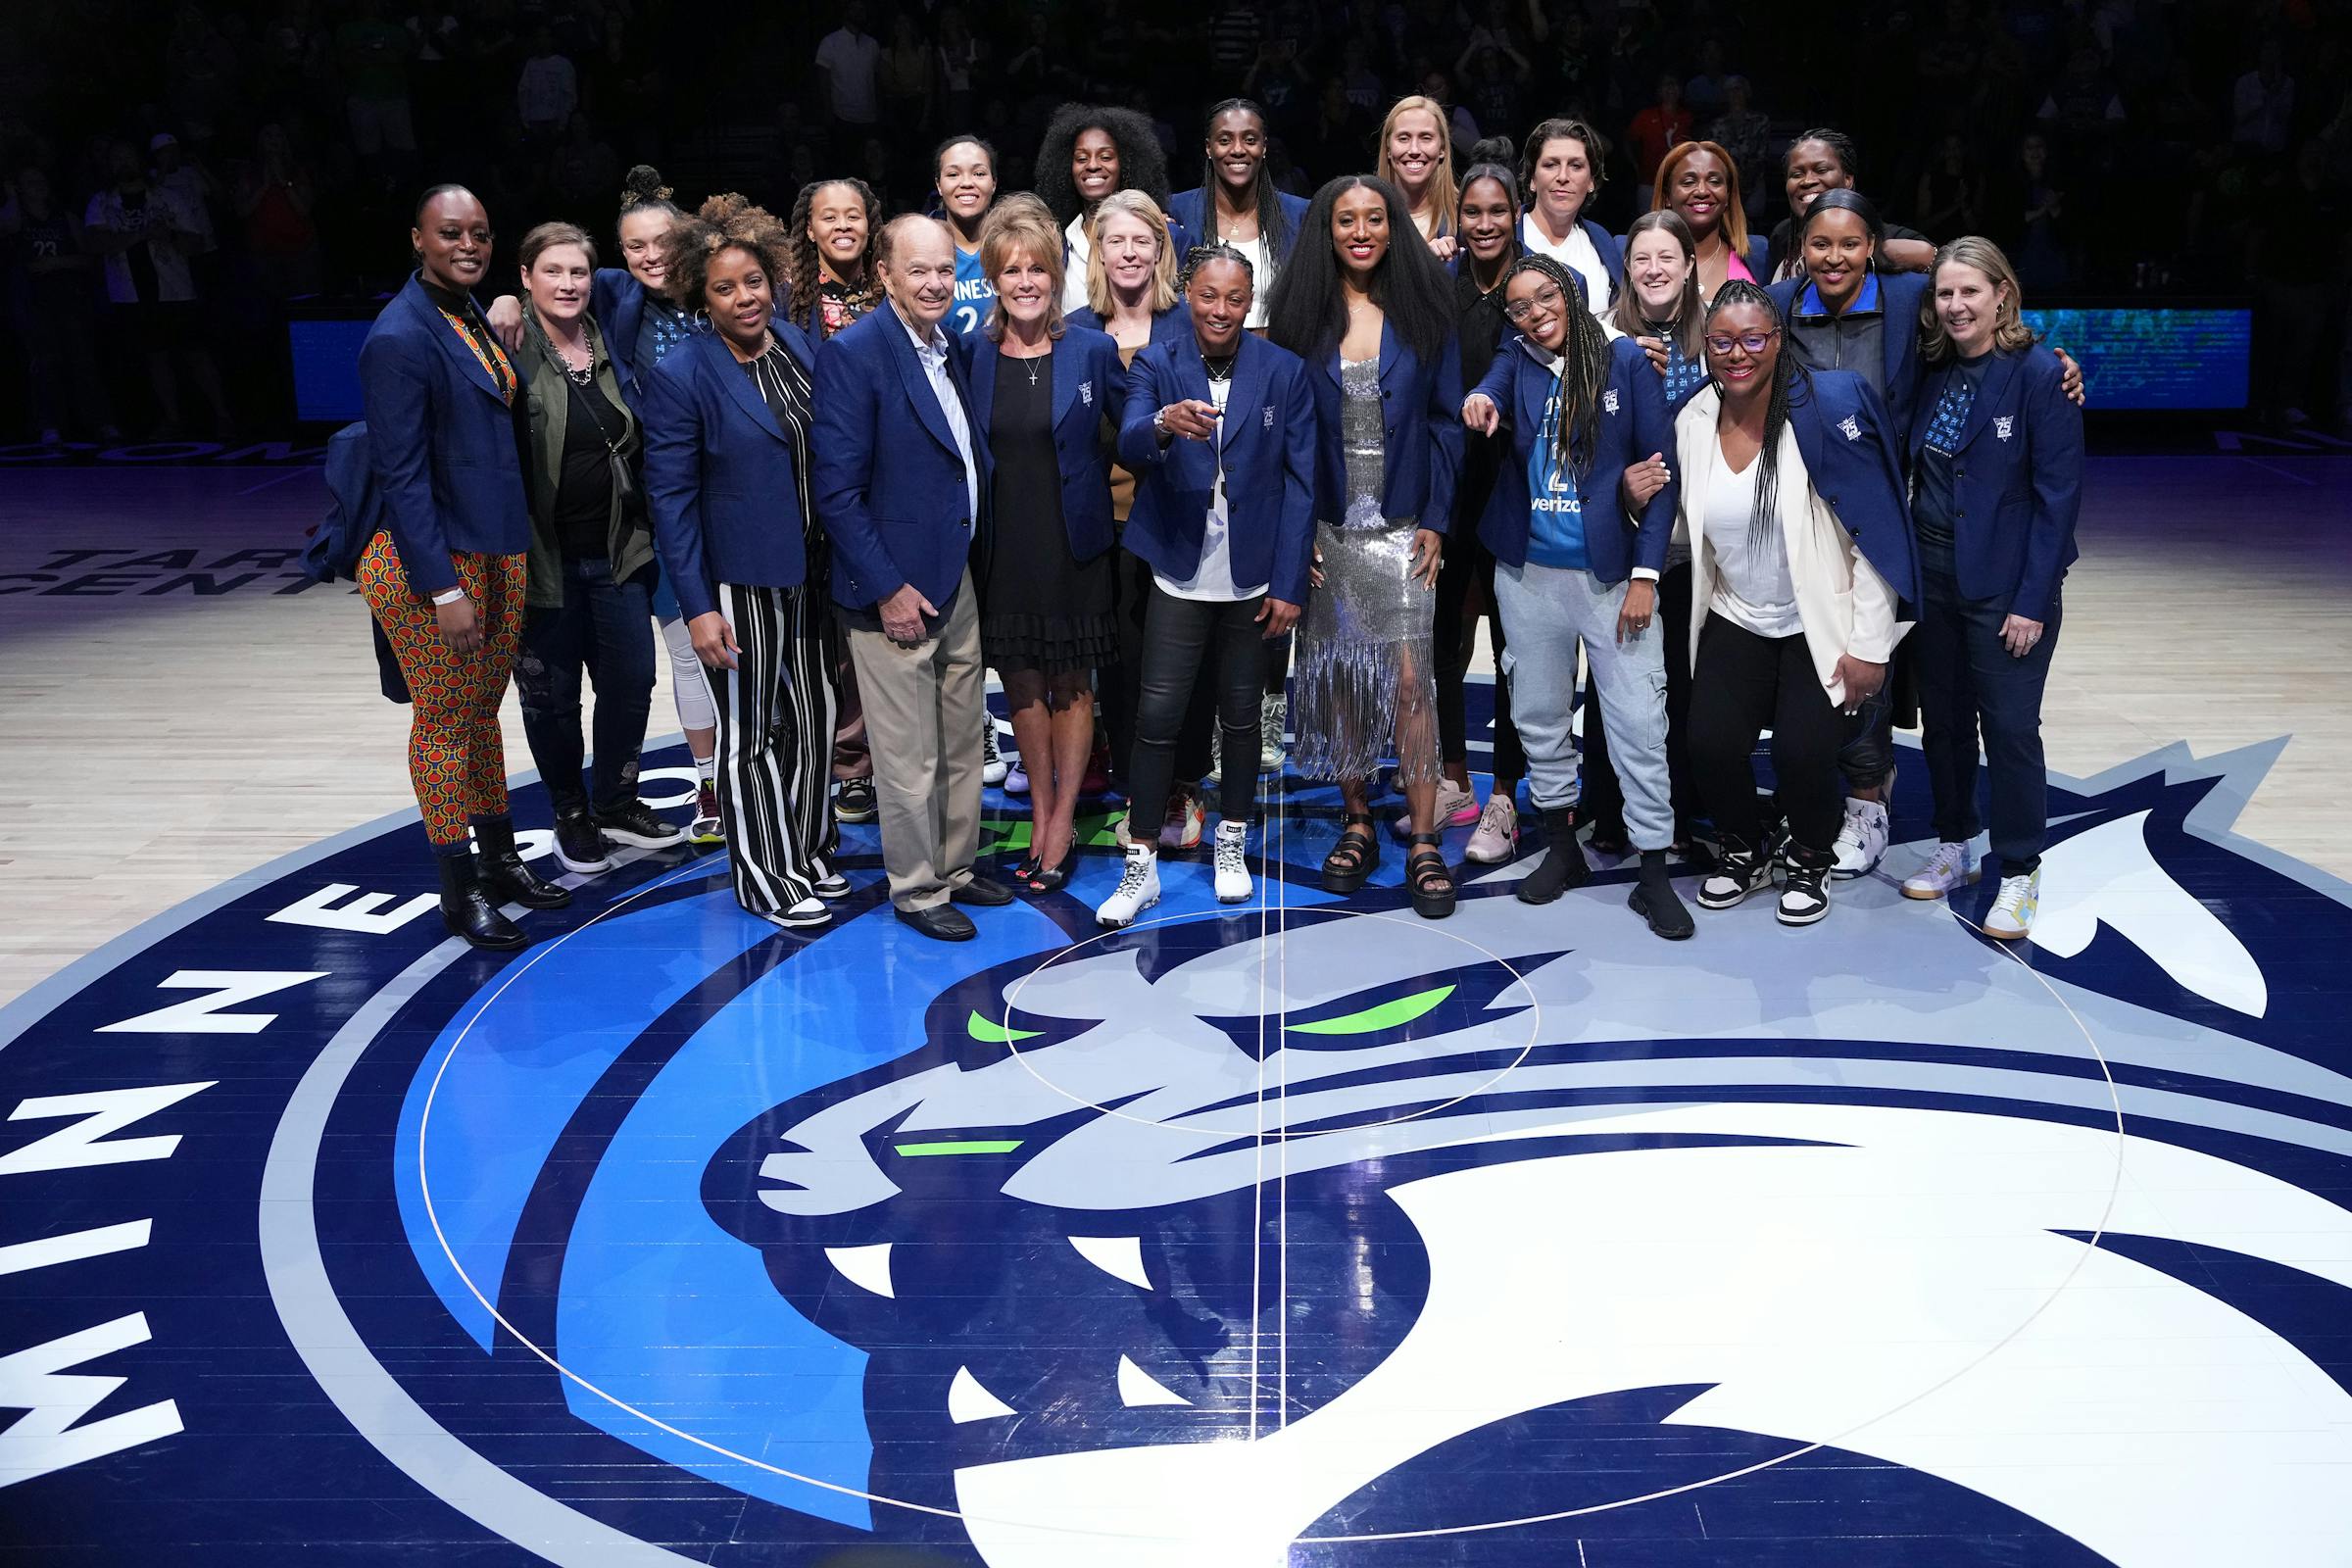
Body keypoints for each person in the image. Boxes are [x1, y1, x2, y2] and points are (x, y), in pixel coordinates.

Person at [358, 185, 567, 951]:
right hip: (434, 561)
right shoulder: (398, 336)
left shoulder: (469, 312)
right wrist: (441, 585)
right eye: (451, 233)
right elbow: (403, 475)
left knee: (482, 716)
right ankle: (459, 888)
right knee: (445, 725)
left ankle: (502, 858)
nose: (468, 244)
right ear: (418, 239)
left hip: (496, 546)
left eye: (480, 232)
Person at [1676, 281, 1919, 927]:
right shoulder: (1693, 418)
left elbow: (1874, 537)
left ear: (1779, 341)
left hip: (1820, 620)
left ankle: (1810, 856)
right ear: (1706, 344)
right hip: (1736, 614)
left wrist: (1870, 645)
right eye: (1722, 340)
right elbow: (1690, 529)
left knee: (1803, 753)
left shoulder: (1824, 410)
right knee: (1710, 743)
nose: (1738, 354)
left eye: (1754, 338)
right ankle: (1745, 849)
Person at [1462, 256, 1690, 937]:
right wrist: (1483, 401)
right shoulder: (1518, 358)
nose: (1534, 313)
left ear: (1571, 291)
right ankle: (1563, 848)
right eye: (1520, 307)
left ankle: (1653, 870)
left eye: (1544, 297)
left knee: (1639, 726)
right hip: (1529, 574)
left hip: (1613, 578)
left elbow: (1661, 472)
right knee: (1537, 717)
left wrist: (1647, 576)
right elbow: (1490, 389)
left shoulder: (1622, 360)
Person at [1095, 243, 1317, 925]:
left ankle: (1232, 847)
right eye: (1207, 296)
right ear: (1187, 295)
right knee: (1155, 722)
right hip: (1177, 577)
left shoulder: (1284, 370)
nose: (1220, 309)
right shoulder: (1159, 362)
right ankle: (1142, 867)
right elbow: (1130, 438)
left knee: (1243, 720)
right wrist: (1163, 423)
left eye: (1234, 297)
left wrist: (1289, 583)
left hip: (1253, 583)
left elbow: (1303, 485)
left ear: (1250, 302)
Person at [643, 196, 848, 931]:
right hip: (739, 581)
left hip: (812, 572)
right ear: (703, 293)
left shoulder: (795, 342)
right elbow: (670, 501)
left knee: (816, 718)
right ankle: (764, 874)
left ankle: (808, 848)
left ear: (774, 280)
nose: (744, 298)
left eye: (753, 282)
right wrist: (697, 606)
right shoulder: (682, 374)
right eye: (726, 288)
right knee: (751, 734)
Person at [1266, 174, 1464, 919]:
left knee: (1413, 685)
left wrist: (1438, 520)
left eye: (1374, 219)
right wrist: (1296, 537)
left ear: (1392, 227)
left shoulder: (1426, 310)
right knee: (1345, 685)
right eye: (1345, 220)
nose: (1360, 231)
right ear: (1325, 229)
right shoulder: (1297, 317)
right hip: (1328, 532)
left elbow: (1447, 423)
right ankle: (1357, 820)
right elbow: (1285, 438)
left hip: (1404, 529)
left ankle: (1421, 837)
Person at [811, 215, 1014, 942]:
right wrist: (886, 587)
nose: (933, 283)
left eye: (942, 271)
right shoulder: (854, 355)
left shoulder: (949, 346)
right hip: (893, 590)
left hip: (953, 576)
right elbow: (835, 492)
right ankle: (917, 888)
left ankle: (955, 868)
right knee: (908, 753)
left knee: (961, 739)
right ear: (885, 277)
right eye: (917, 271)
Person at [1898, 238, 2082, 940]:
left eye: (1969, 291)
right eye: (1944, 293)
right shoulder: (1935, 367)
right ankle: (1956, 844)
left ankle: (2019, 869)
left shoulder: (2039, 374)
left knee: (2008, 731)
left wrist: (2033, 600)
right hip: (1934, 575)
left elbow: (2057, 497)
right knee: (1944, 724)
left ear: (2002, 293)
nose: (1955, 306)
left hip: (2007, 589)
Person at [509, 220, 684, 878]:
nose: (568, 283)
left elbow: (641, 268)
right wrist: (499, 305)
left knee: (631, 681)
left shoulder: (607, 332)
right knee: (551, 698)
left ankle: (615, 800)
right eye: (551, 271)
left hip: (617, 552)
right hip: (540, 563)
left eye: (578, 272)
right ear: (525, 279)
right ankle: (570, 813)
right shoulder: (510, 344)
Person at [963, 199, 1125, 894]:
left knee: (1072, 685)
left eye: (1037, 269)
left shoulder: (1090, 347)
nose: (1025, 281)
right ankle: (1039, 807)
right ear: (995, 281)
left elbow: (1134, 426)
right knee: (1022, 682)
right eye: (1011, 271)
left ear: (1056, 276)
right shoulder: (970, 355)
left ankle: (1060, 821)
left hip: (1075, 546)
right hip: (1004, 547)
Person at [1067, 189, 1218, 854]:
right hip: (1101, 526)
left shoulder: (1189, 326)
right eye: (1115, 241)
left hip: (1179, 518)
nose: (1129, 254)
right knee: (1122, 663)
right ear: (1097, 251)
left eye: (1142, 241)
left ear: (1163, 250)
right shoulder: (1073, 328)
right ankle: (1134, 781)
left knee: (1185, 662)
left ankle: (1183, 779)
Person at [1582, 209, 1709, 856]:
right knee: (1614, 687)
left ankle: (1678, 818)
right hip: (1623, 548)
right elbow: (1573, 449)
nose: (1655, 270)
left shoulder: (1721, 337)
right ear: (1625, 270)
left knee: (1681, 692)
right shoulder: (1599, 339)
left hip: (1701, 552)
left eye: (1668, 257)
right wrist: (1620, 492)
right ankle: (1607, 813)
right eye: (1642, 259)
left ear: (1690, 265)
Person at [1433, 146, 1530, 865]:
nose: (1486, 223)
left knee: (1513, 652)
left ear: (1517, 213)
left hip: (1520, 483)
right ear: (1457, 216)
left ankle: (1505, 794)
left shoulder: (1539, 284)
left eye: (1498, 211)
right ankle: (1454, 777)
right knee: (1444, 639)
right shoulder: (1439, 282)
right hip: (1449, 482)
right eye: (1474, 212)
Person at [82, 139, 231, 437]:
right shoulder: (101, 203)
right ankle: (172, 419)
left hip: (174, 288)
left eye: (128, 155)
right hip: (130, 293)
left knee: (195, 353)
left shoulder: (167, 197)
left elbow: (196, 243)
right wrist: (142, 234)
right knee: (155, 356)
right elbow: (97, 244)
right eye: (116, 158)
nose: (123, 162)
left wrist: (168, 235)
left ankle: (224, 415)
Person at [1167, 99, 1309, 332]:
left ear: (1264, 147)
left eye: (1250, 140)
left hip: (1282, 359)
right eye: (1224, 140)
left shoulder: (1300, 214)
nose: (1238, 149)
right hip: (1199, 359)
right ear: (1208, 148)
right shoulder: (1177, 211)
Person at [6, 166, 119, 445]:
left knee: (83, 361)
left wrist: (57, 262)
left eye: (41, 180)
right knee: (44, 362)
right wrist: (11, 195)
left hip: (69, 298)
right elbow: (9, 226)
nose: (38, 185)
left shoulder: (65, 218)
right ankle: (49, 423)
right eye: (30, 182)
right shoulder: (16, 220)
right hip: (31, 300)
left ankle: (100, 422)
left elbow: (90, 258)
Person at [1035, 103, 1180, 316]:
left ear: (1126, 164)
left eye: (1105, 157)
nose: (1092, 165)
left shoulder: (1163, 236)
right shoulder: (1057, 243)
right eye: (1081, 158)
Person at [1769, 129, 1935, 281]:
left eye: (1821, 170)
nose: (1807, 181)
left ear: (1848, 179)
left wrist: (1929, 255)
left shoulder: (1891, 239)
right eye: (1797, 174)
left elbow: (1950, 270)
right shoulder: (1783, 237)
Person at [1515, 119, 1621, 317]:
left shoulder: (1602, 242)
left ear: (1591, 181)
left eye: (1575, 166)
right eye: (1550, 164)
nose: (1563, 176)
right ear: (1532, 179)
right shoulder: (1506, 237)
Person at [1650, 140, 1767, 303]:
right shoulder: (1632, 256)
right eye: (1689, 182)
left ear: (1727, 195)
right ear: (1667, 197)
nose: (1702, 191)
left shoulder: (1760, 253)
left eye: (1714, 181)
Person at [784, 176, 881, 341]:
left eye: (853, 216)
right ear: (810, 230)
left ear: (868, 225)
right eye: (829, 218)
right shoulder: (791, 300)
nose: (843, 225)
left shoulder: (890, 290)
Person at [1375, 96, 1459, 262]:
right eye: (1403, 138)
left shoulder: (1464, 215)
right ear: (1388, 149)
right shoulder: (1366, 218)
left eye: (1426, 138)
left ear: (1442, 148)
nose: (1414, 150)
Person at [934, 135, 1002, 340]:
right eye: (953, 174)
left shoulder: (1014, 246)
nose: (966, 183)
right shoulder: (923, 250)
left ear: (994, 183)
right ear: (938, 185)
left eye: (979, 173)